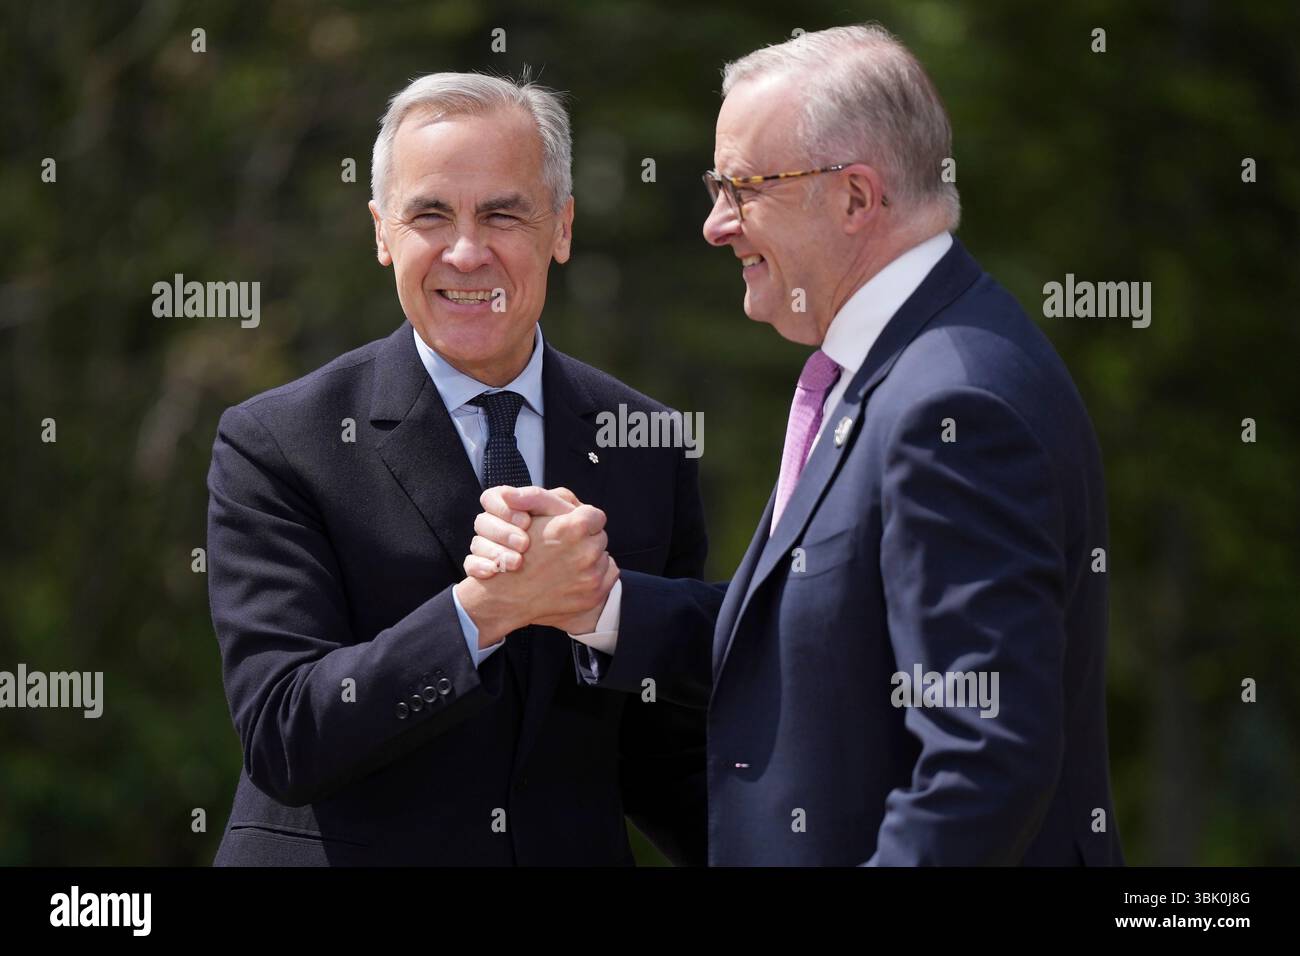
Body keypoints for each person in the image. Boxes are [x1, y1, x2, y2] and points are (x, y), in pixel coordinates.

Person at [468, 25, 1124, 866]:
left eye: (742, 189)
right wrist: (596, 601)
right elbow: (817, 639)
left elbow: (984, 763)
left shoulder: (952, 406)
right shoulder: (889, 368)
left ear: (855, 198)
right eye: (716, 188)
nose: (715, 225)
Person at [207, 72, 707, 866]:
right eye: (430, 215)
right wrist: (482, 613)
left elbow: (667, 753)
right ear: (382, 232)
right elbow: (285, 735)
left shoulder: (648, 439)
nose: (467, 252)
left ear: (562, 228)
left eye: (503, 214)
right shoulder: (276, 442)